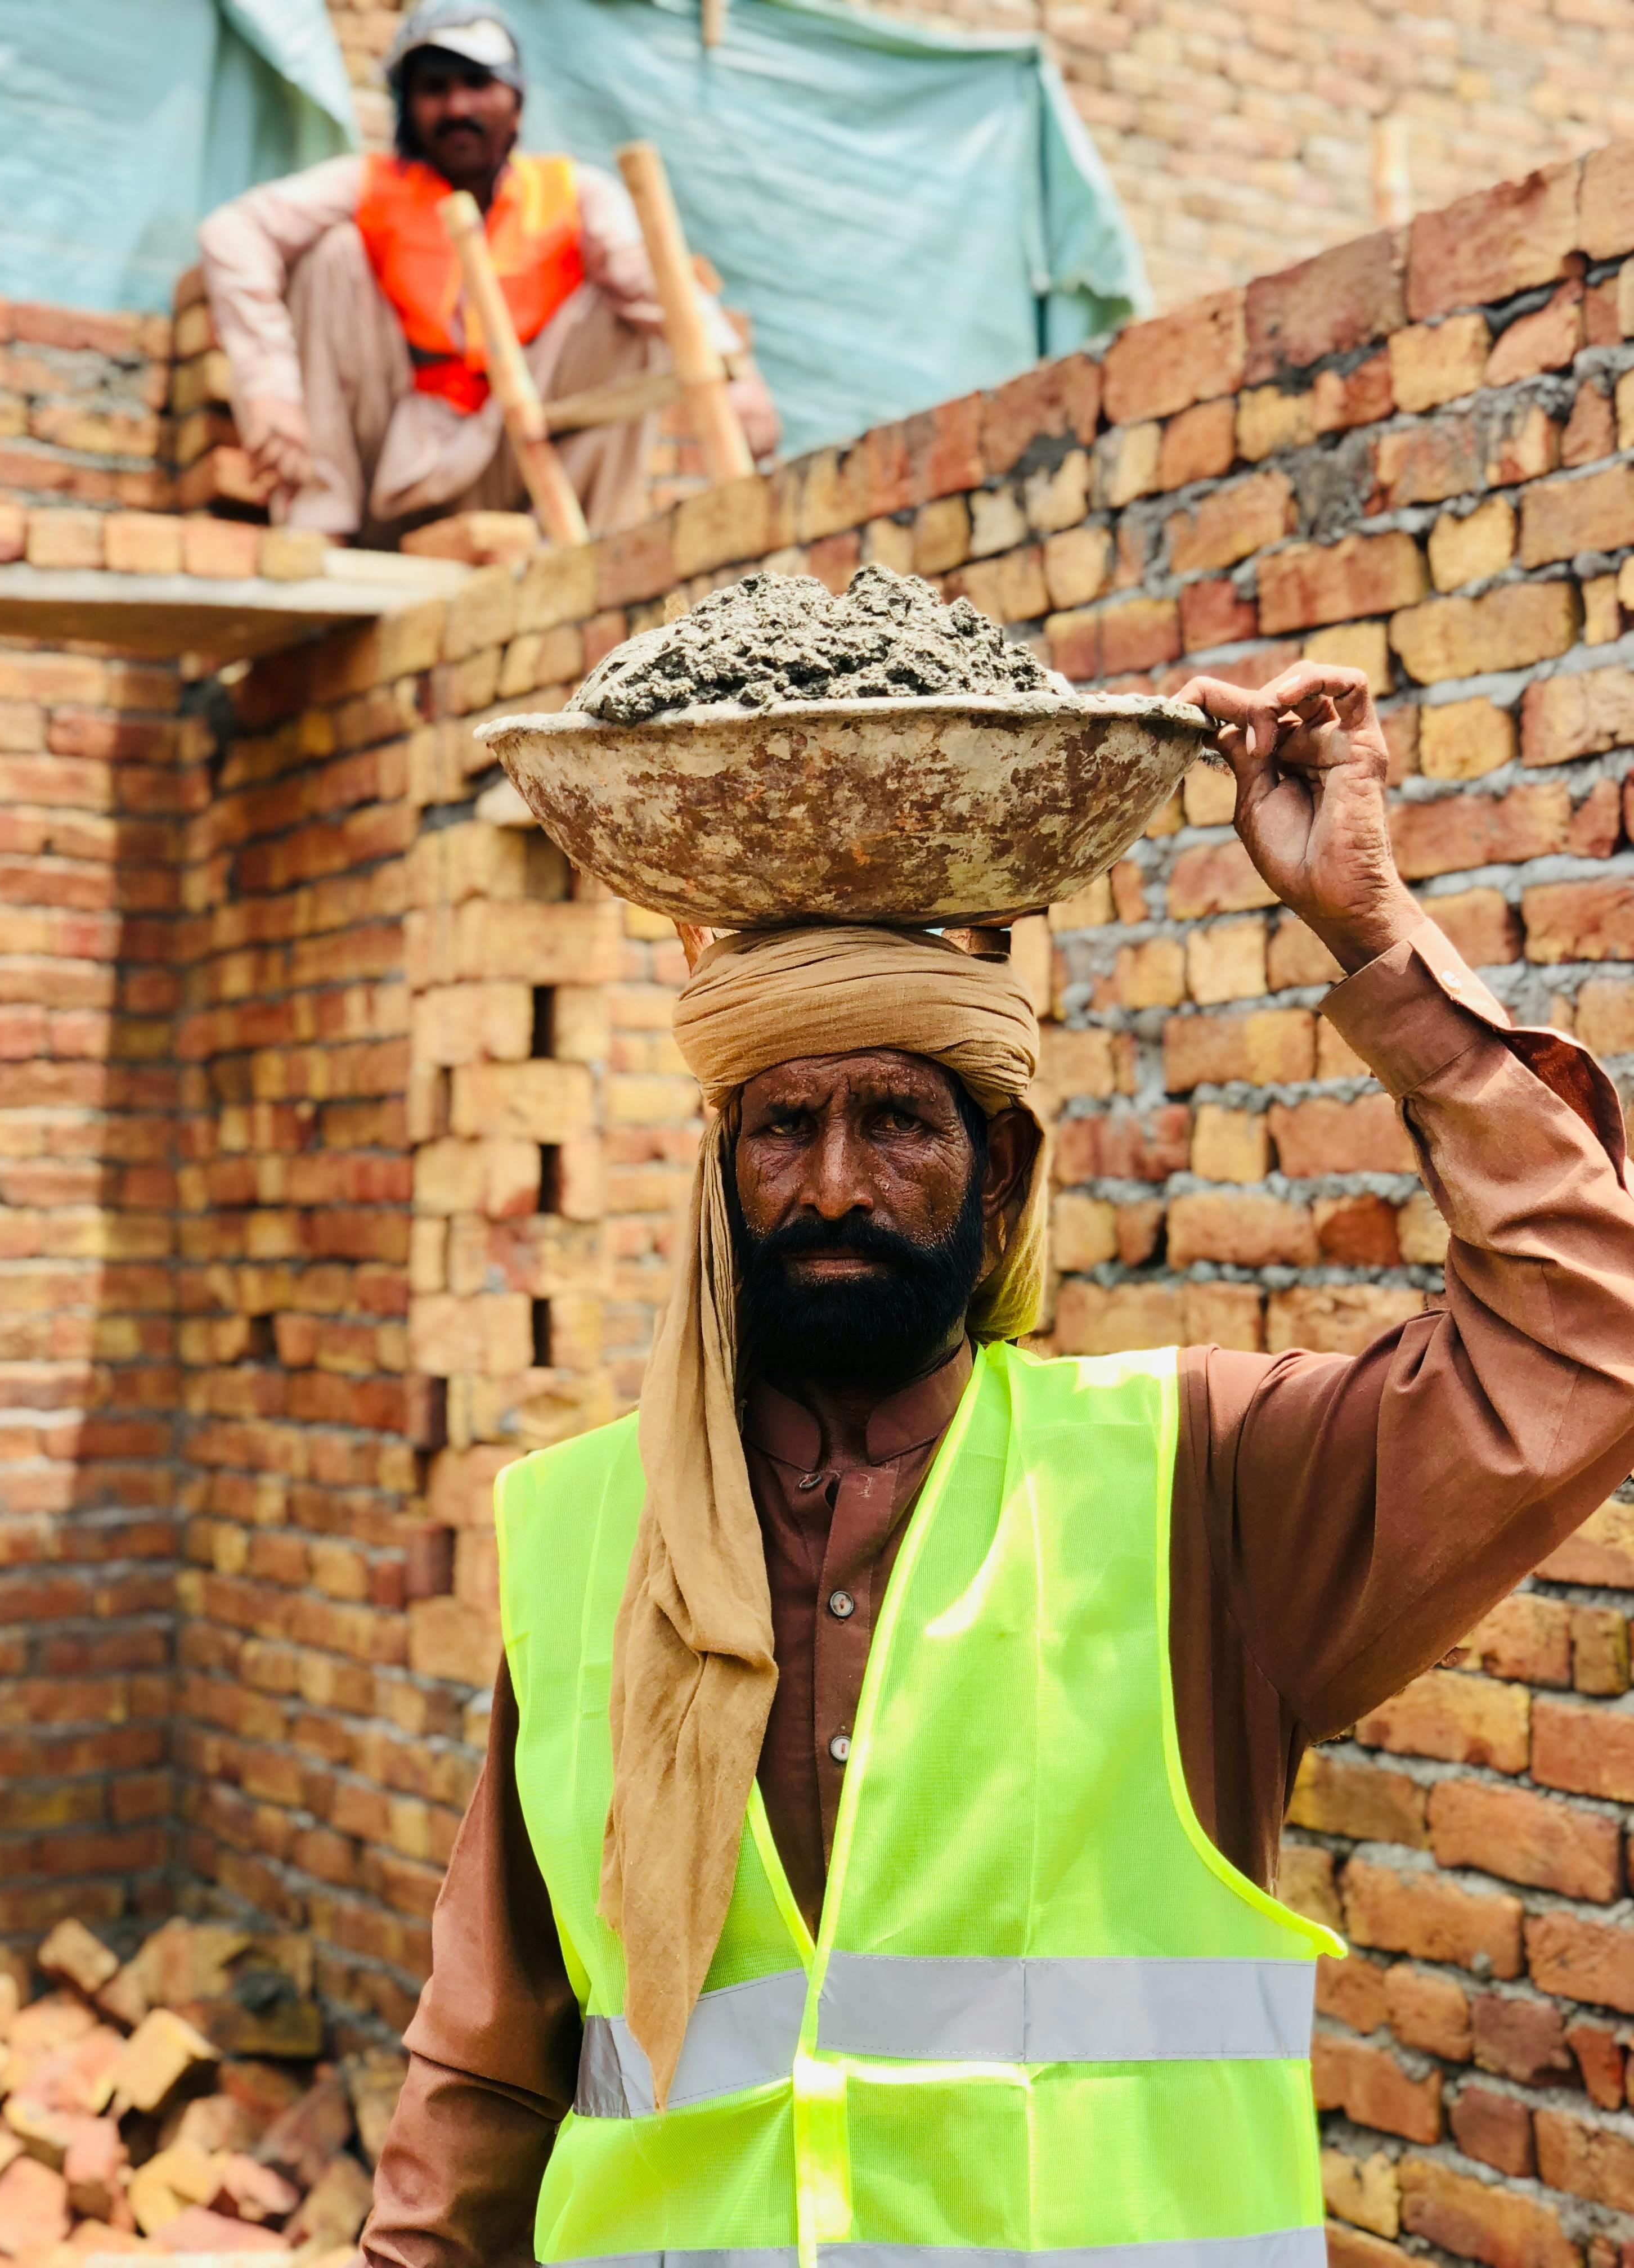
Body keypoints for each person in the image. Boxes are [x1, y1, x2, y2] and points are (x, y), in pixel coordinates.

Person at [363, 662, 1634, 2268]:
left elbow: (1580, 1345)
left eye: (899, 1121)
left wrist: (1373, 936)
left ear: (1003, 1166)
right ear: (721, 1172)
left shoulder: (1200, 1489)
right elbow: (485, 2070)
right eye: (782, 1127)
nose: (835, 1184)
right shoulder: (582, 1530)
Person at [197, 0, 779, 547]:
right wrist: (270, 391)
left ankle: (580, 554)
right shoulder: (371, 185)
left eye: (477, 83)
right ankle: (319, 526)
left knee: (632, 312)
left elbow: (654, 281)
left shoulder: (573, 193)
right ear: (407, 106)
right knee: (332, 255)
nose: (457, 108)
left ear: (517, 102)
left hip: (521, 467)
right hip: (397, 466)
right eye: (434, 88)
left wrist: (737, 374)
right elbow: (231, 233)